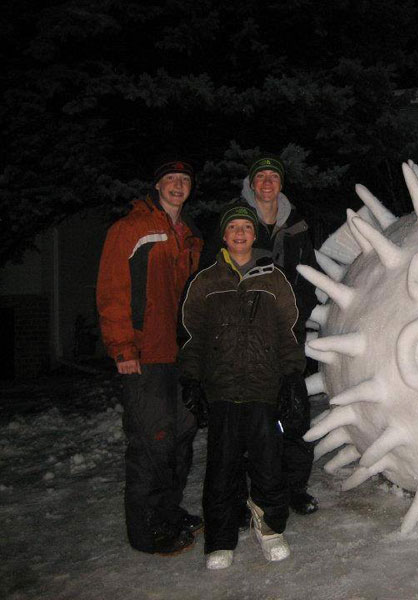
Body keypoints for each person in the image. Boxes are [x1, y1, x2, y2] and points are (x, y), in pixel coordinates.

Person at [178, 203, 307, 570]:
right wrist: (191, 379)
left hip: (264, 389)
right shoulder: (205, 281)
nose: (239, 233)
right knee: (222, 467)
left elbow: (290, 333)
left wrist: (292, 378)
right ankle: (220, 540)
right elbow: (191, 337)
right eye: (233, 227)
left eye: (246, 228)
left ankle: (269, 528)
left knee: (269, 464)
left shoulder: (274, 279)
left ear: (255, 236)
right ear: (224, 235)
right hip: (222, 391)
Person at [96, 159, 204, 555]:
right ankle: (147, 531)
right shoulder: (129, 230)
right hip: (144, 355)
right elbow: (111, 293)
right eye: (170, 179)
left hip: (181, 356)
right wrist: (122, 347)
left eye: (184, 180)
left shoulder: (190, 237)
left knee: (181, 436)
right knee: (151, 441)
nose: (178, 185)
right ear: (157, 185)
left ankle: (169, 512)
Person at [242, 155, 320, 516]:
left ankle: (294, 488)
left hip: (288, 335)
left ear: (281, 184)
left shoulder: (297, 225)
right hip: (247, 339)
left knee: (295, 413)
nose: (268, 182)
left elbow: (308, 275)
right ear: (252, 184)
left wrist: (298, 317)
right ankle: (256, 491)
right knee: (254, 418)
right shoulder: (235, 223)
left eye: (274, 176)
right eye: (261, 177)